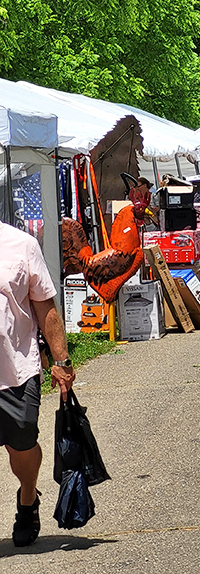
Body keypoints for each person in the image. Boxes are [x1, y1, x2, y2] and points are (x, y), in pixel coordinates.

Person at [0, 221, 75, 546]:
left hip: (15, 368)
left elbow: (45, 306)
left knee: (22, 443)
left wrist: (61, 361)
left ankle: (28, 495)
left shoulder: (21, 245)